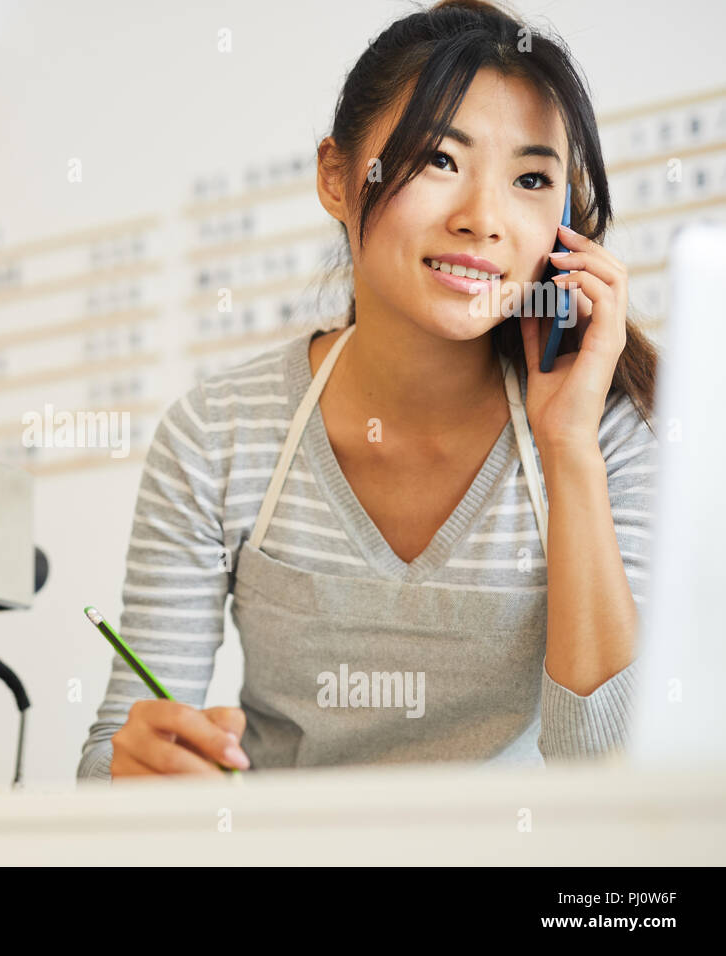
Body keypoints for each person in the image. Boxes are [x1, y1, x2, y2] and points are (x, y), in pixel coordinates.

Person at [78, 0, 660, 781]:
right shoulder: (216, 435)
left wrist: (568, 447)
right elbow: (113, 757)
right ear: (336, 176)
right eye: (440, 161)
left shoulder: (608, 430)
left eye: (529, 179)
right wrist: (139, 770)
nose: (484, 219)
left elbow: (615, 776)